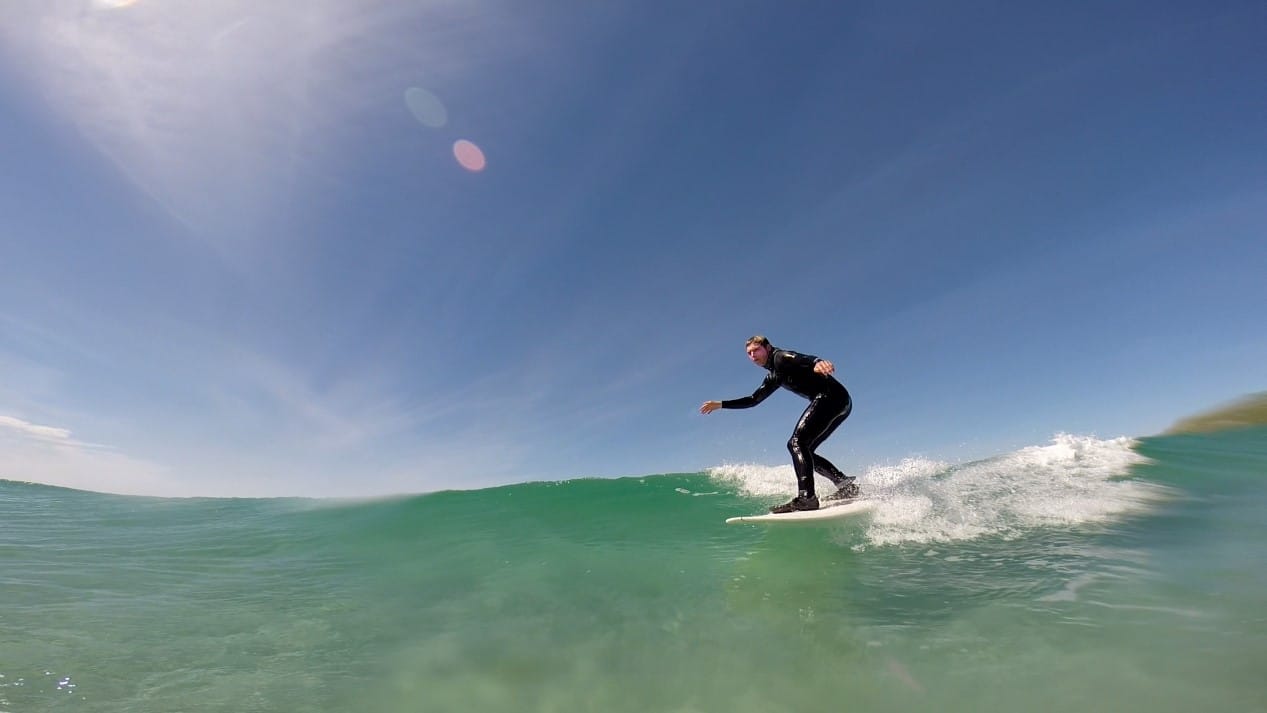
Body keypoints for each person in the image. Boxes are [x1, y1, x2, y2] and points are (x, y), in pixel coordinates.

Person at [700, 335, 859, 513]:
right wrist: (721, 404)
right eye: (749, 353)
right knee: (805, 450)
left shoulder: (780, 357)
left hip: (831, 397)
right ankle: (845, 486)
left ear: (767, 348)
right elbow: (753, 400)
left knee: (796, 443)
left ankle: (806, 498)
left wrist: (819, 362)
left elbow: (804, 359)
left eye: (756, 350)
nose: (753, 355)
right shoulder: (774, 375)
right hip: (842, 401)